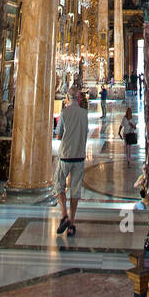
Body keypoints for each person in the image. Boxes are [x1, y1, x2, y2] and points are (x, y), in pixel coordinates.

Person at [55, 86, 88, 237]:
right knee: (75, 190)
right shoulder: (84, 114)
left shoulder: (64, 113)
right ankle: (72, 224)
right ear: (79, 98)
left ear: (67, 98)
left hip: (65, 155)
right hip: (79, 156)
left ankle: (64, 215)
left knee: (59, 185)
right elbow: (85, 132)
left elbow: (58, 135)